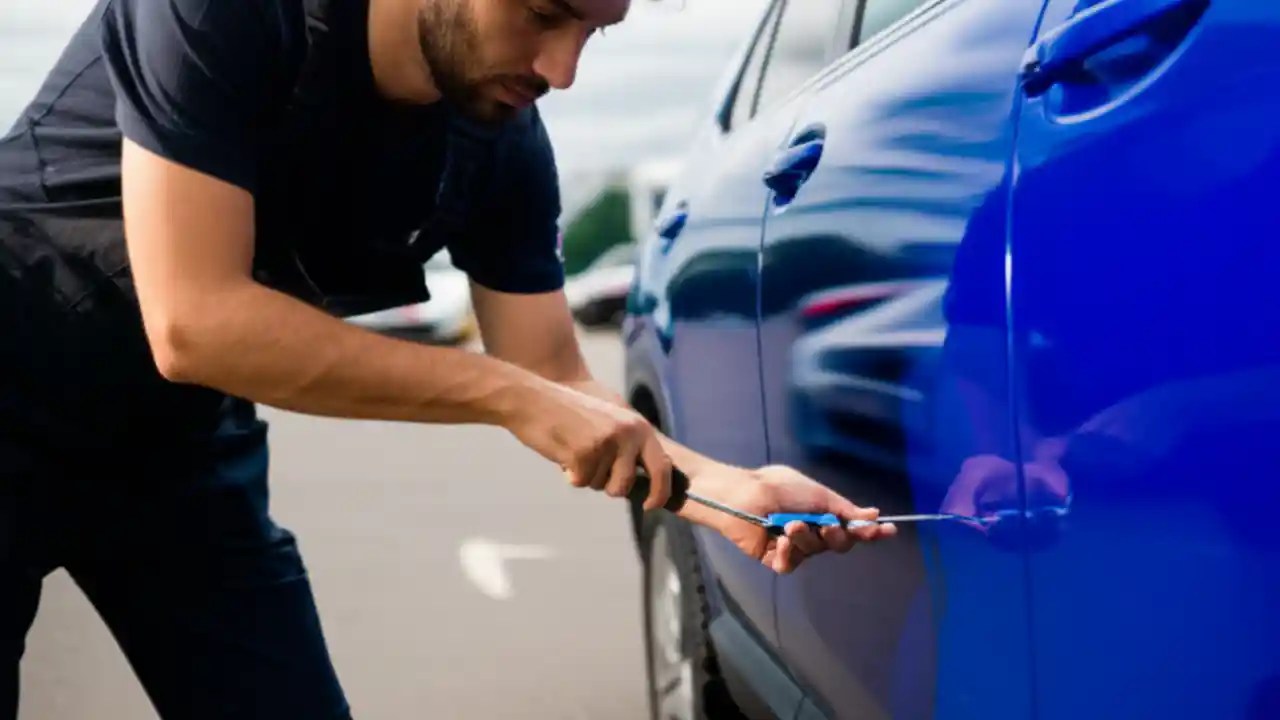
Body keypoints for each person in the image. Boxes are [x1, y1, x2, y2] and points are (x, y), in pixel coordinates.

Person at [0, 0, 897, 716]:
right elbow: (195, 321)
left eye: (593, 32)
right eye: (545, 15)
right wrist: (500, 394)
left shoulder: (501, 142)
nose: (562, 71)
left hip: (178, 449)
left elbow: (553, 374)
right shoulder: (231, 13)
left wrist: (722, 491)